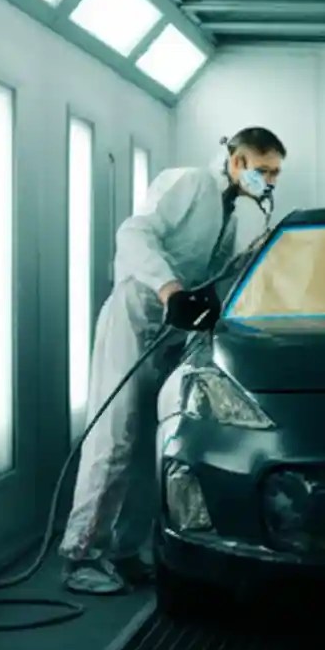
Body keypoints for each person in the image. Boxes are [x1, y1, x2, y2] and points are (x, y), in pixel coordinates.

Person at [59, 127, 286, 594]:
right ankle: (81, 555)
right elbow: (134, 233)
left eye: (275, 174)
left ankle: (124, 551)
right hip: (136, 315)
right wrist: (169, 290)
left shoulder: (228, 215)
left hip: (170, 331)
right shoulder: (191, 183)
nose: (269, 181)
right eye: (263, 170)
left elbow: (210, 277)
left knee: (155, 440)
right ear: (238, 162)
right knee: (115, 435)